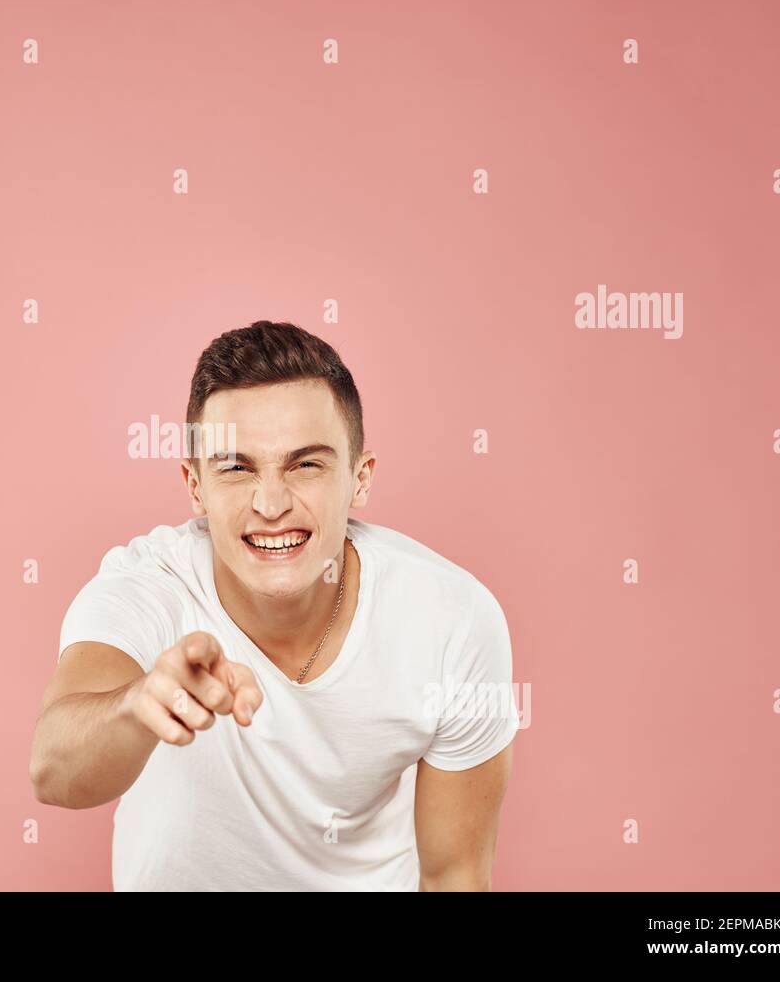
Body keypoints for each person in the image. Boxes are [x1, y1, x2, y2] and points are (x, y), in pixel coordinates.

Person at [30, 320, 519, 890]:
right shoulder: (148, 586)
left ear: (359, 479)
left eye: (305, 465)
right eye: (236, 469)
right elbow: (53, 770)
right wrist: (139, 704)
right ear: (195, 488)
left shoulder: (453, 620)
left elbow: (455, 877)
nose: (270, 503)